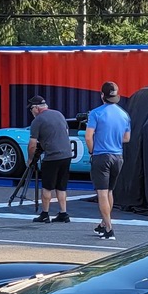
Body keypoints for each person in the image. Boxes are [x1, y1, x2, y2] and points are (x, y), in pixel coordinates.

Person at [82, 81, 130, 240]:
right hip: (118, 157)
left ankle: (109, 229)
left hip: (101, 156)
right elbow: (126, 138)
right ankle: (104, 223)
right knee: (109, 191)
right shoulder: (124, 114)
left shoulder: (96, 113)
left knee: (102, 193)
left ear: (102, 95)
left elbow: (88, 136)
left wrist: (91, 150)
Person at [26, 95, 73, 223]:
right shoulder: (59, 114)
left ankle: (45, 213)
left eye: (31, 110)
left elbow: (32, 144)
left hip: (52, 156)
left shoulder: (37, 121)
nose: (31, 112)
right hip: (67, 155)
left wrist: (30, 159)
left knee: (47, 187)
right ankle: (63, 213)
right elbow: (65, 133)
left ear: (36, 108)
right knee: (61, 186)